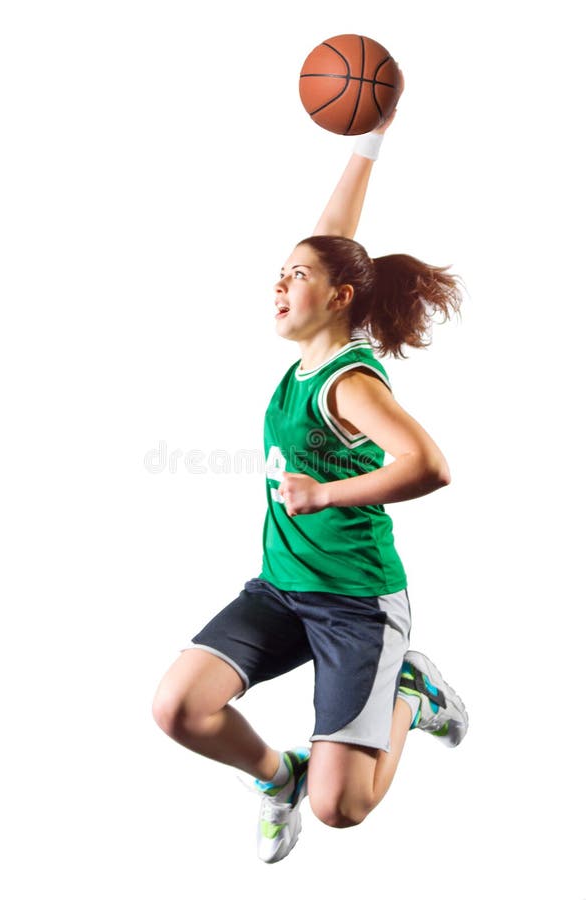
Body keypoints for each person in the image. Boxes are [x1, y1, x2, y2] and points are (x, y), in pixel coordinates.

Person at [152, 84, 468, 864]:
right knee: (180, 709)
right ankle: (273, 777)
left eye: (295, 276)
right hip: (282, 587)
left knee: (342, 810)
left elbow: (428, 466)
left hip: (356, 602)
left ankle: (410, 694)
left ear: (339, 297)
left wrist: (324, 491)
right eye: (281, 272)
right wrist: (370, 138)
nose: (280, 283)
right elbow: (330, 238)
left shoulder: (346, 382)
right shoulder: (313, 350)